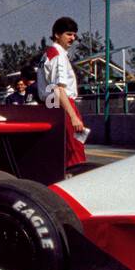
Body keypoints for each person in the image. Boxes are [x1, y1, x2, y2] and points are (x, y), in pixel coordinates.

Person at [38, 16, 87, 170]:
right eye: (68, 34)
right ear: (57, 34)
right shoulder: (58, 56)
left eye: (74, 35)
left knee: (61, 152)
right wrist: (73, 116)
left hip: (50, 105)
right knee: (75, 152)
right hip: (62, 105)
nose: (73, 38)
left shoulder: (48, 53)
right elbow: (59, 89)